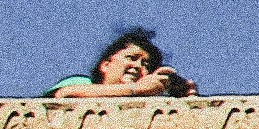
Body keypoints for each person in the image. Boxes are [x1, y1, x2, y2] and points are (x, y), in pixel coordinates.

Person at [51, 27, 196, 100]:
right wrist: (136, 89)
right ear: (106, 65)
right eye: (132, 58)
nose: (139, 66)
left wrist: (188, 99)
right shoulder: (81, 82)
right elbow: (65, 94)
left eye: (146, 64)